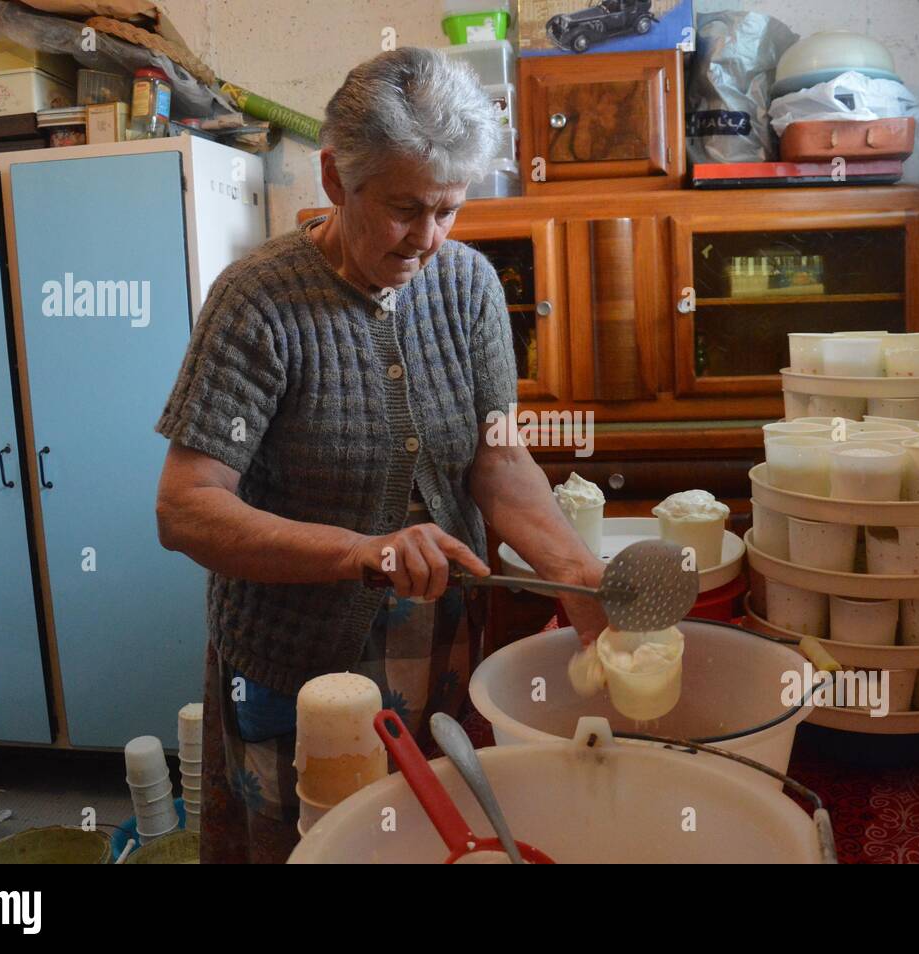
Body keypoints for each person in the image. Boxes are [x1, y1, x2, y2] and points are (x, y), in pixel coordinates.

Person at [154, 47, 606, 863]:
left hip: (440, 648)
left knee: (434, 840)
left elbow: (499, 462)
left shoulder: (468, 286)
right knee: (317, 847)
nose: (429, 239)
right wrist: (364, 552)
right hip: (295, 662)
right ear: (334, 179)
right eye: (404, 208)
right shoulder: (258, 301)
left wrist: (570, 572)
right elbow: (186, 510)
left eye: (450, 210)